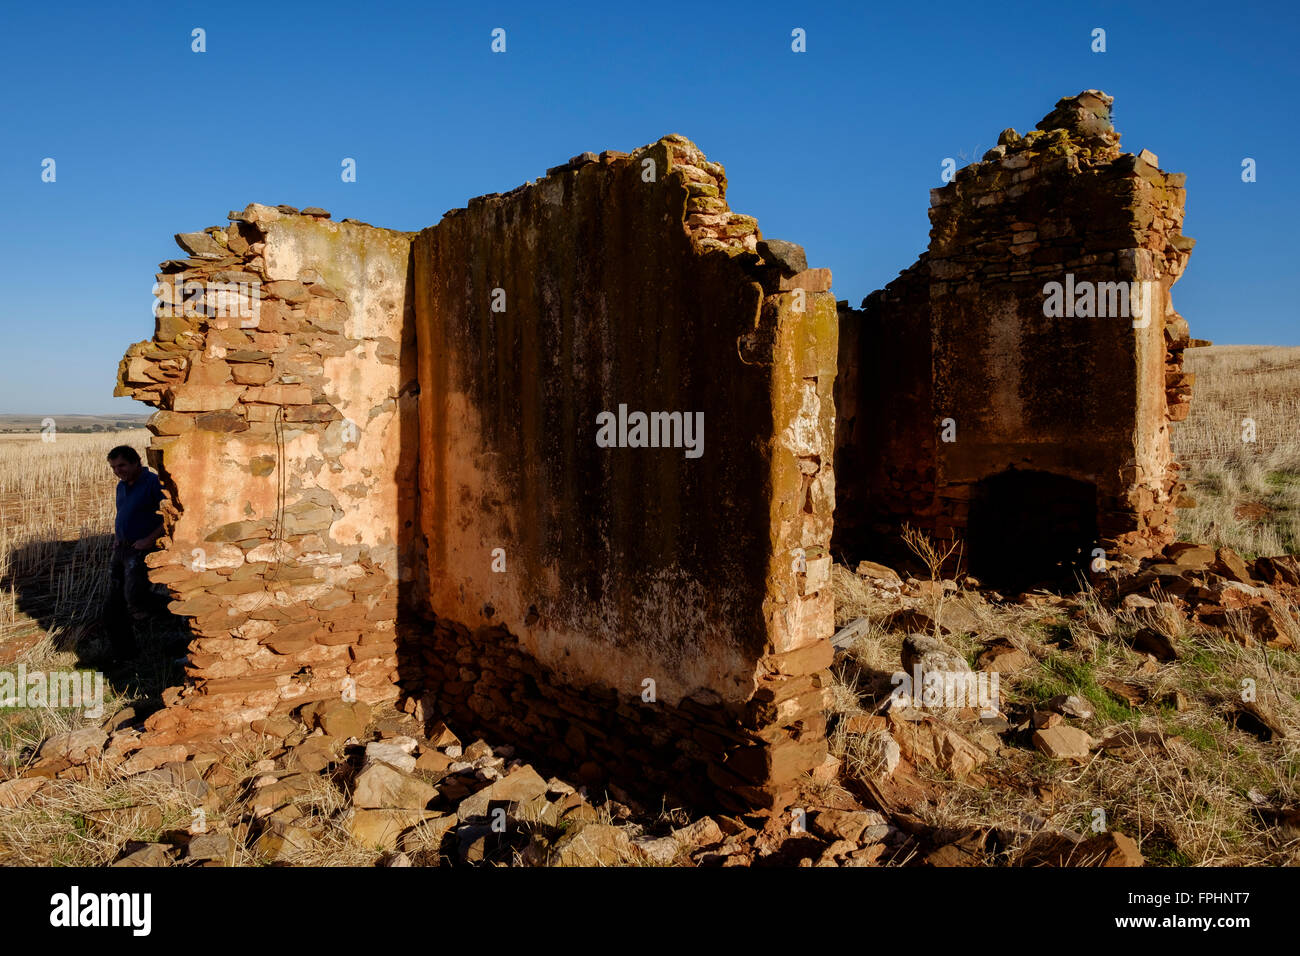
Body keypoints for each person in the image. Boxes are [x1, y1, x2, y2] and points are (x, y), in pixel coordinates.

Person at [105, 445, 164, 657]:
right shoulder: (121, 487)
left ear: (136, 462)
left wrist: (150, 539)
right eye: (113, 467)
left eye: (121, 465)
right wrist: (117, 537)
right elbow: (122, 514)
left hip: (142, 549)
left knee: (135, 597)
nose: (117, 471)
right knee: (114, 601)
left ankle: (175, 613)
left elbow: (170, 516)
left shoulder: (153, 483)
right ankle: (123, 652)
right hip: (121, 548)